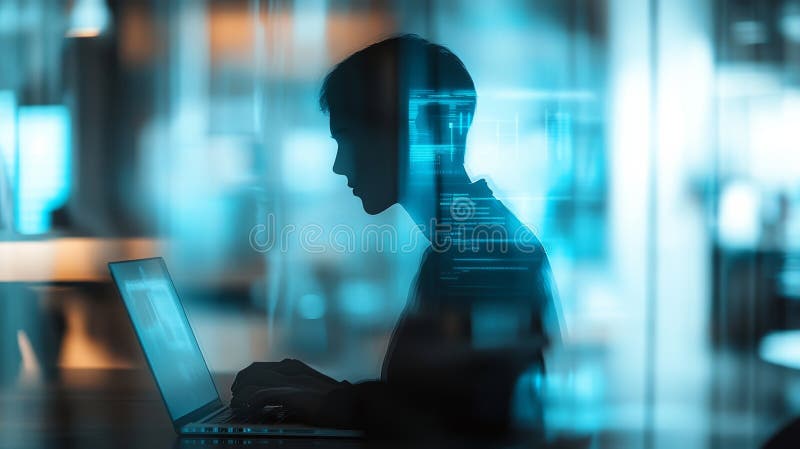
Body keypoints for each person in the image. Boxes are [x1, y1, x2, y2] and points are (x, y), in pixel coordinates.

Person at [232, 34, 561, 438]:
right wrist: (331, 394)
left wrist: (336, 403)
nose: (339, 165)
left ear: (411, 133)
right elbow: (438, 404)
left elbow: (464, 430)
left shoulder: (480, 252)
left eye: (348, 138)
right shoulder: (468, 238)